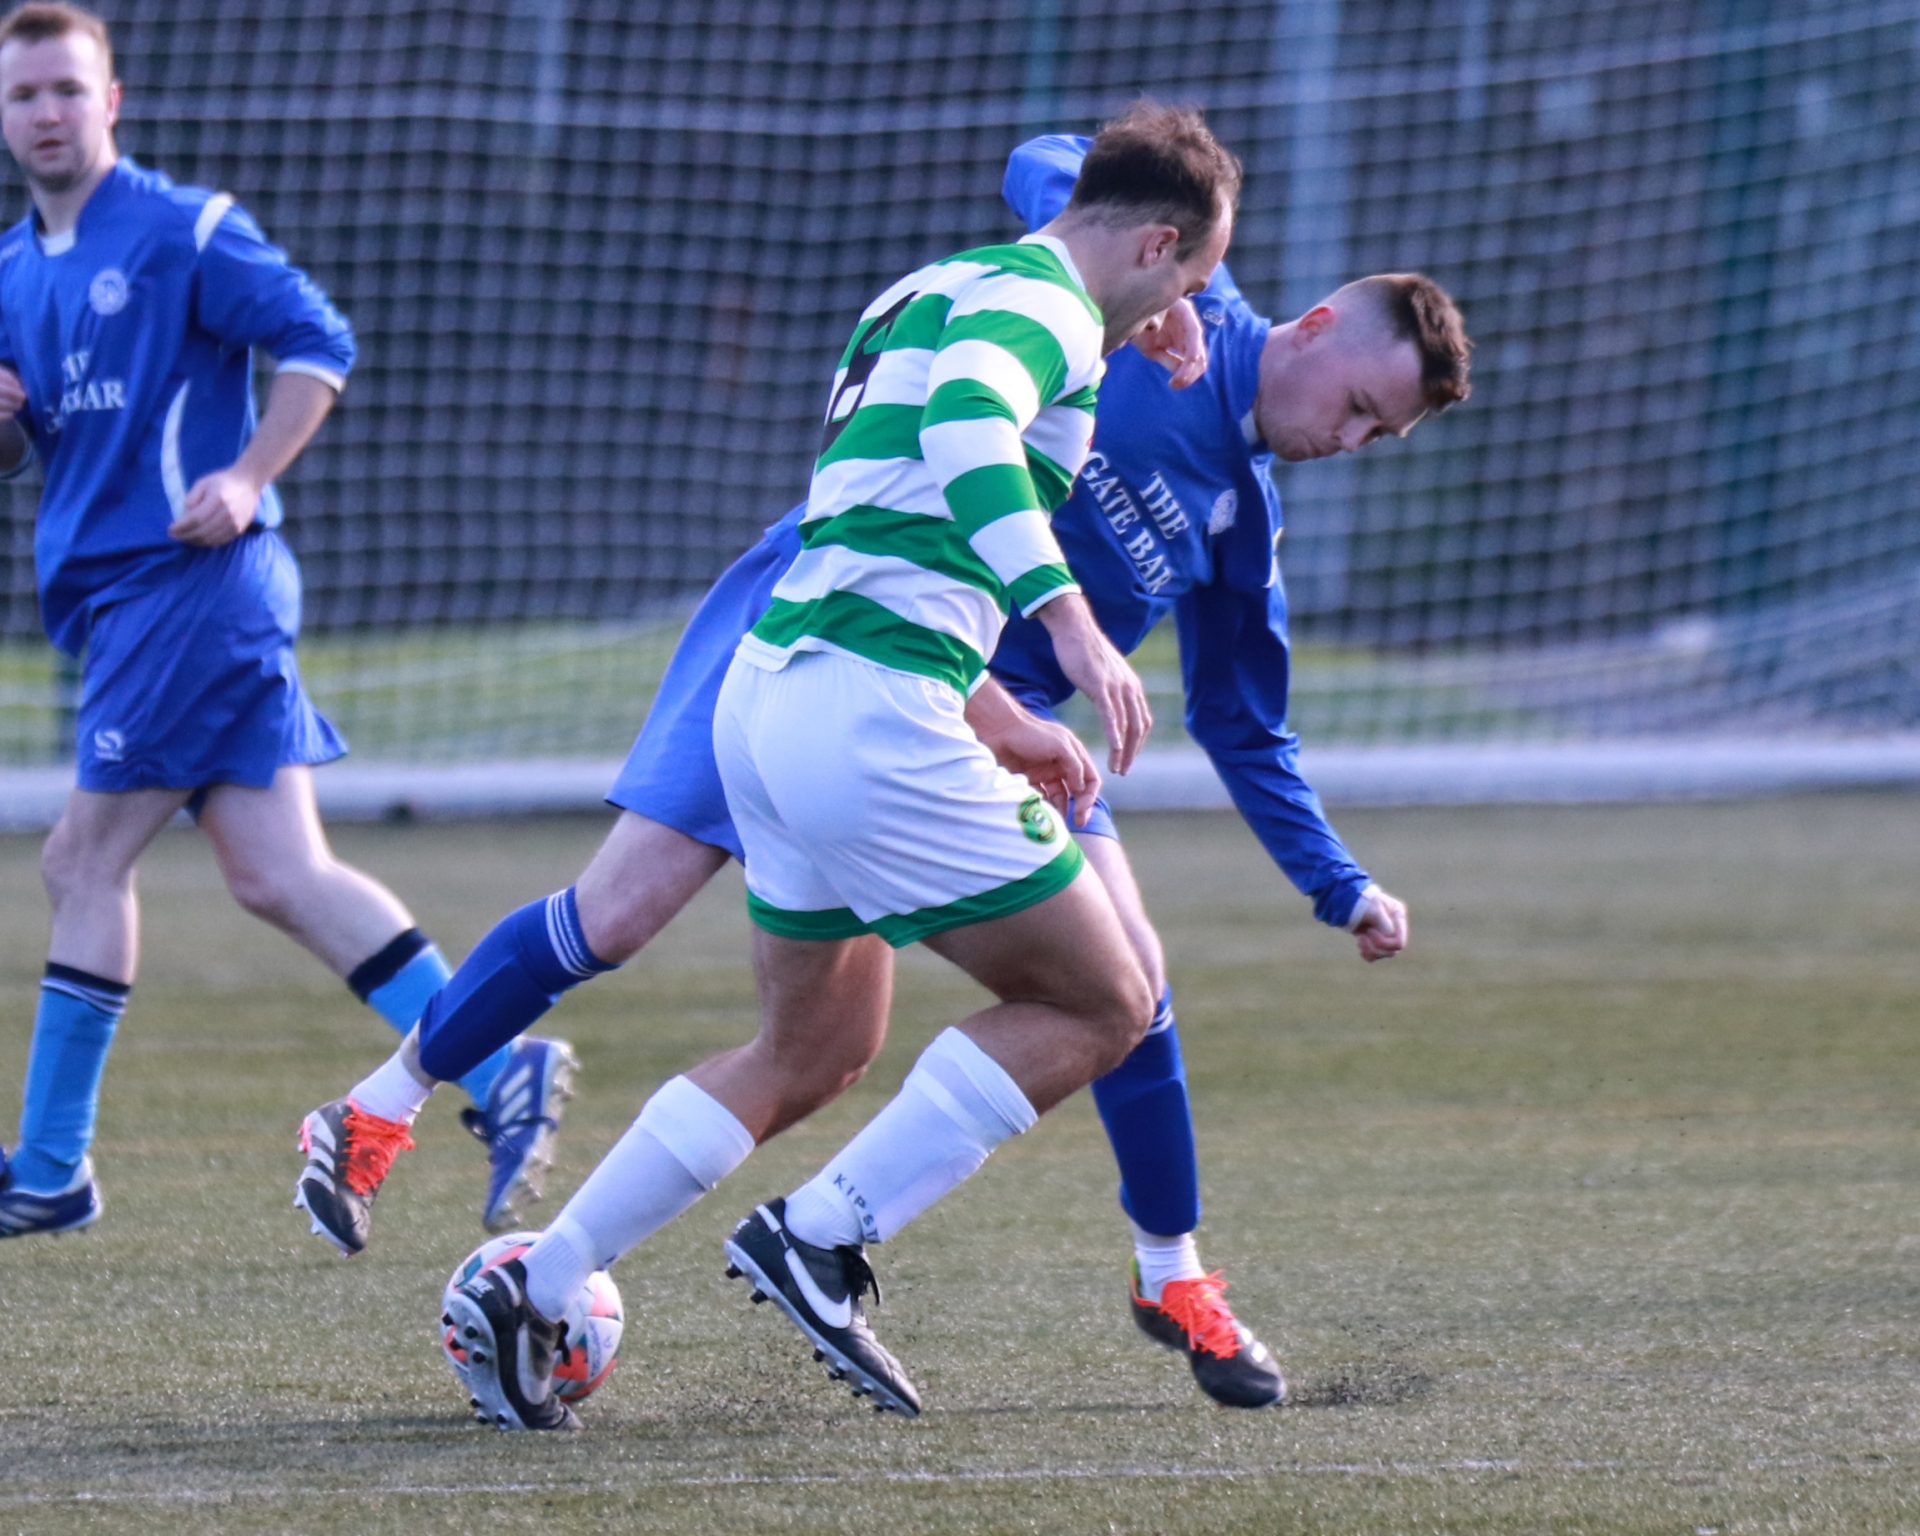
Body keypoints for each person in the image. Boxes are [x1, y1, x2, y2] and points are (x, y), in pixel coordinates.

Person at [305, 128, 1470, 1417]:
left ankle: (1159, 1271)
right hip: (871, 672)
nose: (1352, 439)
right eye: (1362, 407)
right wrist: (1074, 605)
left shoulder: (1169, 455)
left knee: (832, 1042)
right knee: (1075, 992)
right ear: (1268, 306)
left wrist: (1330, 877)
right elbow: (1028, 255)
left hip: (900, 677)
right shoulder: (1088, 303)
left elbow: (1247, 723)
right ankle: (750, 1214)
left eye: (1382, 435)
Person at [435, 100, 1239, 1431]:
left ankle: (546, 1279)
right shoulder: (1039, 317)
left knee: (815, 1043)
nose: (1192, 316)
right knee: (1109, 1000)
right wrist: (1071, 625)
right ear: (1159, 243)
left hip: (782, 697)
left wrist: (1000, 708)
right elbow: (971, 433)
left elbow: (887, 531)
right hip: (869, 723)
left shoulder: (938, 283)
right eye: (1196, 281)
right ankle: (821, 1238)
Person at [0, 2, 574, 1242]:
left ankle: (49, 1168)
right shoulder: (9, 274)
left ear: (114, 102)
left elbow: (320, 342)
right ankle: (497, 1070)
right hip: (132, 608)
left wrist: (250, 475)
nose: (45, 111)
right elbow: (27, 441)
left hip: (188, 591)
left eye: (65, 88)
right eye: (23, 94)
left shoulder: (182, 228)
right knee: (278, 874)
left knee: (78, 861)